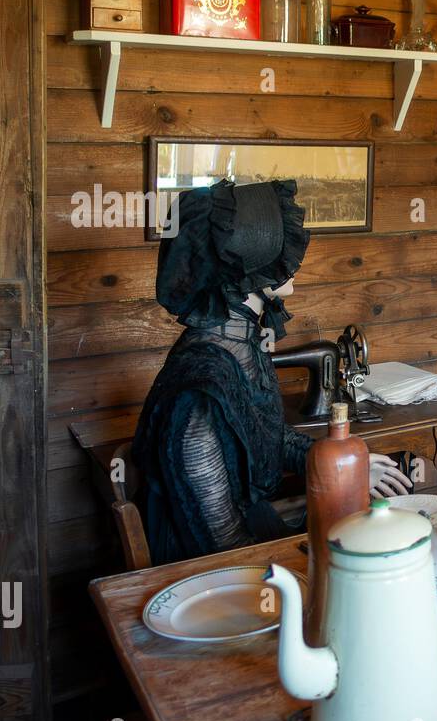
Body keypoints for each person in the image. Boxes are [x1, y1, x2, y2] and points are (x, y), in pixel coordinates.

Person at [132, 179, 409, 565]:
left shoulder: (238, 341)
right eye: (281, 247)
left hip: (245, 541)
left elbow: (265, 435)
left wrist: (343, 464)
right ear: (250, 266)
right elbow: (224, 549)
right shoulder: (198, 392)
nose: (294, 260)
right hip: (207, 579)